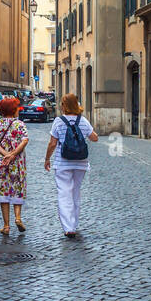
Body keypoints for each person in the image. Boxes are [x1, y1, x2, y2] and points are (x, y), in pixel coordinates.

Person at [44, 93, 98, 238]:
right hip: (81, 162)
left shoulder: (58, 121)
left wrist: (47, 159)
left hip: (63, 162)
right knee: (76, 192)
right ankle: (74, 223)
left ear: (63, 105)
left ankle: (69, 227)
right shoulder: (83, 120)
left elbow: (52, 143)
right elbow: (94, 138)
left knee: (64, 193)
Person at [0, 97, 28, 235]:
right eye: (17, 107)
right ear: (13, 109)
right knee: (17, 188)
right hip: (17, 162)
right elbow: (25, 140)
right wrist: (13, 154)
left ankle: (6, 226)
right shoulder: (20, 124)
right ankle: (18, 218)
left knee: (3, 192)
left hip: (1, 162)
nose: (19, 110)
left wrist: (5, 154)